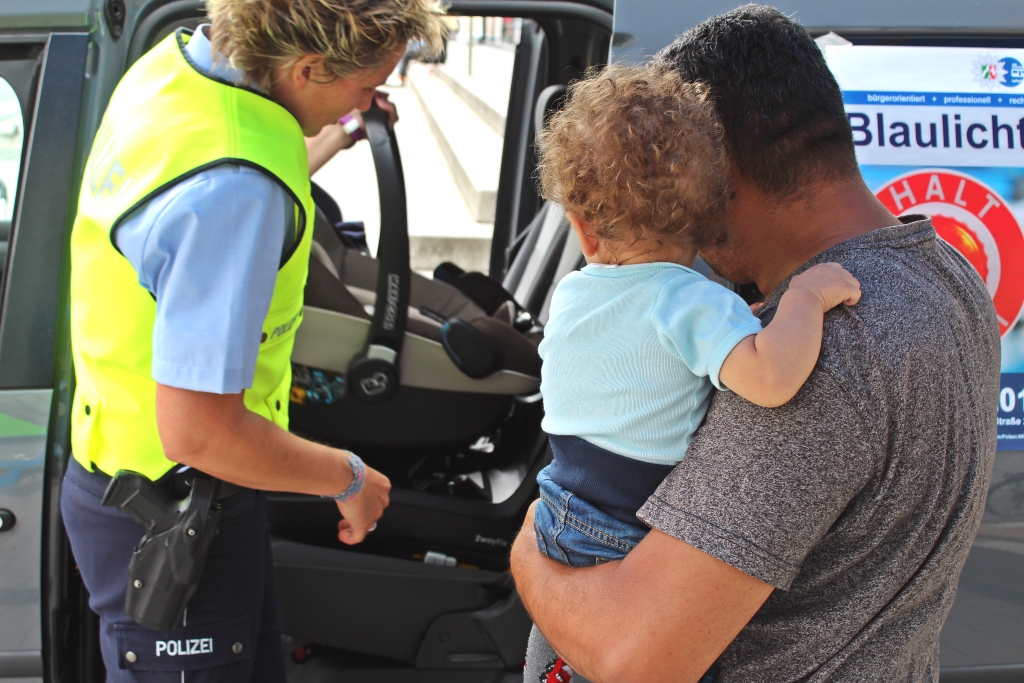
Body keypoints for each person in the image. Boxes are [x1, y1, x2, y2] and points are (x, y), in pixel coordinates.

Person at [512, 5, 999, 683]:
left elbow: (633, 656)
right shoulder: (950, 278)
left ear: (718, 173)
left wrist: (528, 551)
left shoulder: (823, 347)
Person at [61, 0, 445, 680]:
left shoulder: (175, 72)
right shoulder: (234, 191)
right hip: (174, 513)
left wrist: (338, 132)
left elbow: (224, 179)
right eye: (365, 85)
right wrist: (347, 477)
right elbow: (199, 432)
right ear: (308, 66)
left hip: (133, 480)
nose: (374, 96)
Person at [526, 62, 861, 679]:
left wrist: (741, 322)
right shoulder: (692, 303)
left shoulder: (575, 294)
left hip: (560, 508)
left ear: (581, 225)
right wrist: (806, 300)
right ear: (710, 220)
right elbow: (772, 379)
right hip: (625, 528)